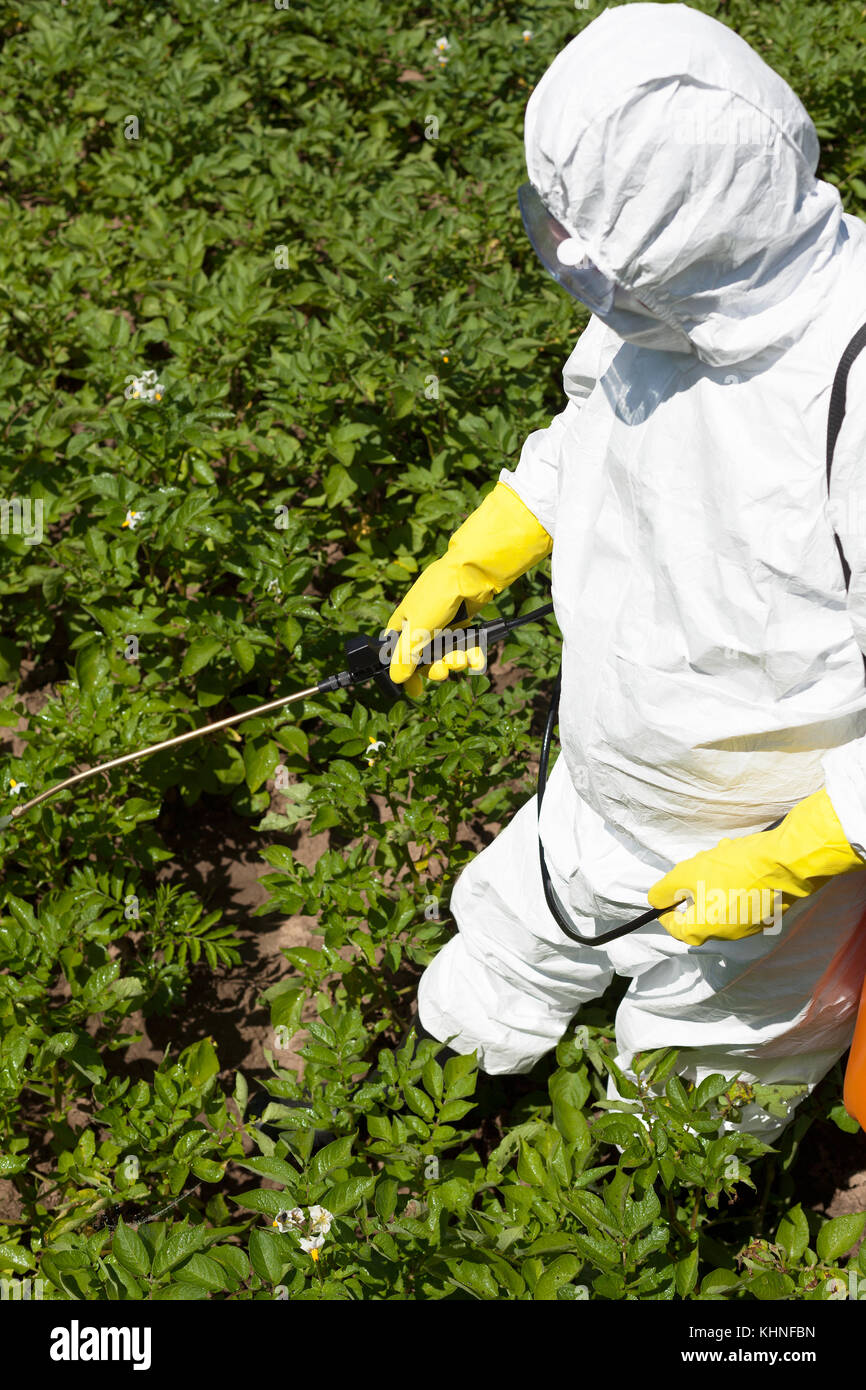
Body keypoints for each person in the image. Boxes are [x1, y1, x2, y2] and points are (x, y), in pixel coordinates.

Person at [385, 3, 866, 1139]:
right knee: (515, 928)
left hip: (760, 834)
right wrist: (478, 551)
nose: (564, 258)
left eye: (585, 238)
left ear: (685, 225)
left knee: (715, 1053)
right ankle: (431, 1102)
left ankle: (658, 1216)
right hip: (605, 766)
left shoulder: (846, 381)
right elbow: (592, 434)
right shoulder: (663, 305)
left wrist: (791, 857)